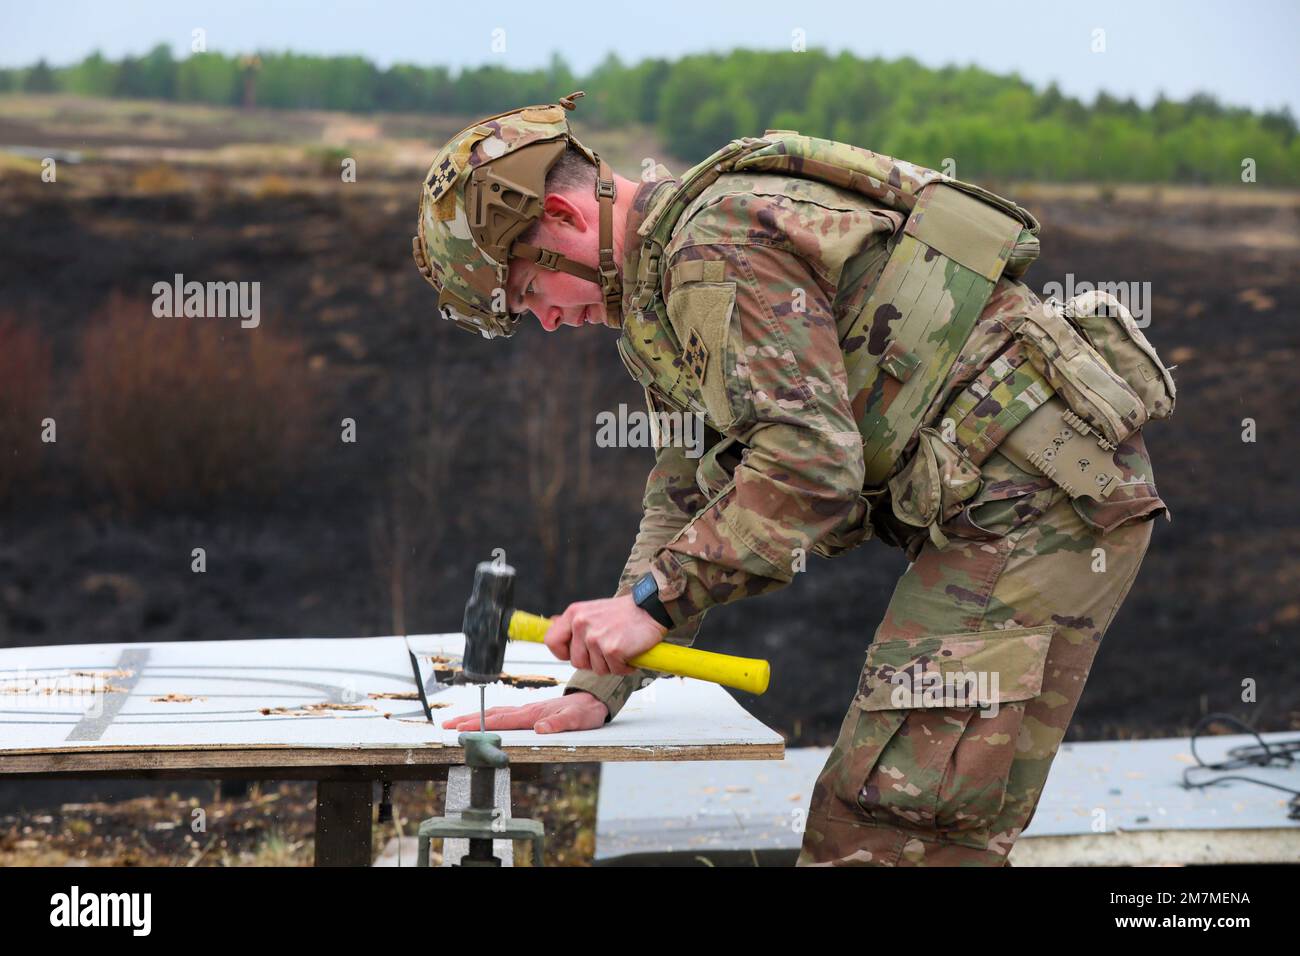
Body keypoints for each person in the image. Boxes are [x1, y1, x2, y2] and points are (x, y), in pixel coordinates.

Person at [412, 92, 1173, 865]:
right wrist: (596, 686)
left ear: (564, 218)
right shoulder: (660, 298)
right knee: (902, 818)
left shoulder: (714, 249)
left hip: (1038, 498)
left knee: (894, 818)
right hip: (1001, 498)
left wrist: (654, 602)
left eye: (530, 293)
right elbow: (687, 494)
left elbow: (812, 463)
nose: (545, 320)